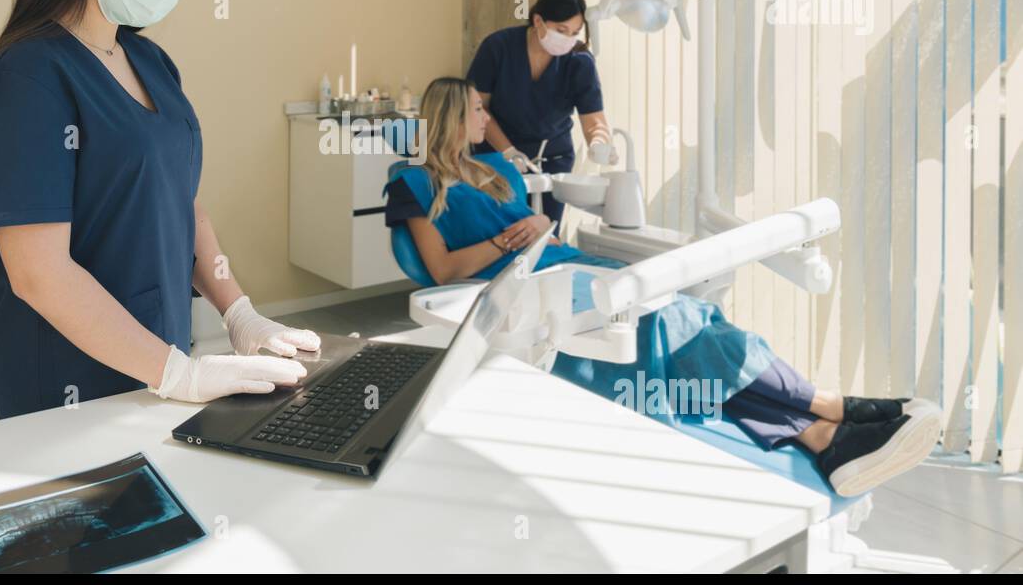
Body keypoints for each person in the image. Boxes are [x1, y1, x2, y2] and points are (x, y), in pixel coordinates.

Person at [382, 77, 942, 497]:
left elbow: (540, 231)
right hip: (524, 288)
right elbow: (445, 270)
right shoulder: (412, 185)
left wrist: (539, 227)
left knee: (689, 320)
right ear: (453, 116)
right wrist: (512, 239)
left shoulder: (495, 172)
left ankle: (822, 436)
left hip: (568, 265)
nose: (487, 116)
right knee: (679, 323)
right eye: (478, 109)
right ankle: (832, 410)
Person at [0, 0, 320, 419]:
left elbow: (185, 204)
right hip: (65, 374)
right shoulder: (24, 76)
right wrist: (178, 373)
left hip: (158, 353)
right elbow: (38, 273)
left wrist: (238, 313)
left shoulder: (151, 62)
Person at [465, 0, 616, 229]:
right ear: (538, 20)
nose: (568, 39)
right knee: (500, 232)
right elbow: (478, 108)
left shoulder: (579, 61)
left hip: (552, 162)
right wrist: (508, 152)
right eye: (561, 30)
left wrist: (600, 143)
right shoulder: (498, 47)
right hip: (495, 154)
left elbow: (594, 120)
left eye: (575, 32)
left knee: (544, 234)